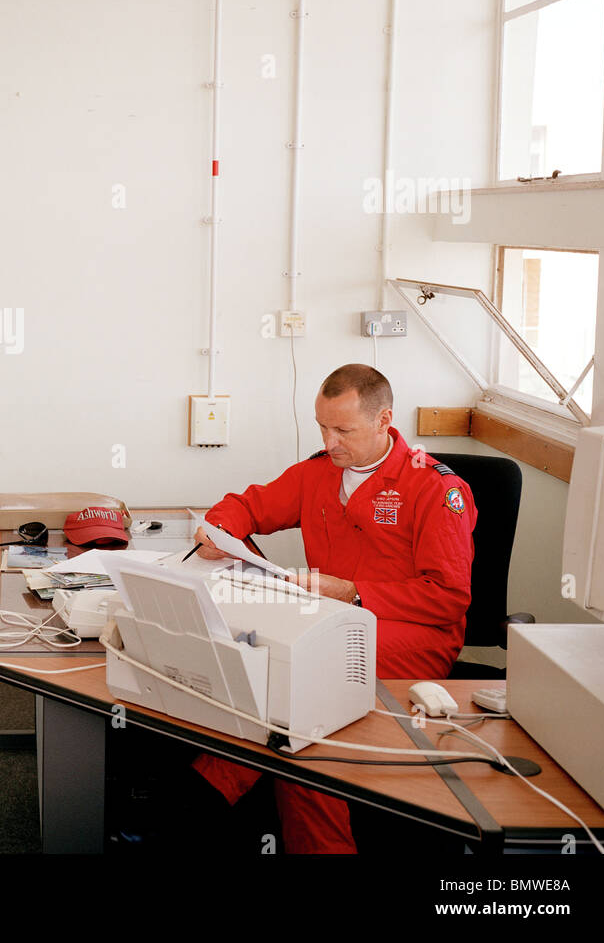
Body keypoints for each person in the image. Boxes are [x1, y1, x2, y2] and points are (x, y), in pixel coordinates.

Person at [186, 362, 476, 853]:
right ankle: (208, 804)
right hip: (328, 625)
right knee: (283, 697)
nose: (330, 439)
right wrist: (217, 530)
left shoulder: (435, 489)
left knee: (295, 686)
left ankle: (204, 796)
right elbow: (247, 504)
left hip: (411, 634)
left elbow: (448, 596)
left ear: (385, 420)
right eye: (322, 426)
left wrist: (353, 592)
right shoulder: (319, 472)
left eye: (343, 429)